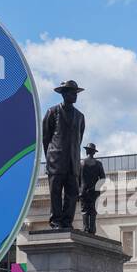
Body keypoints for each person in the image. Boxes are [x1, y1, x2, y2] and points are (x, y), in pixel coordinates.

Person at [42, 80, 85, 228]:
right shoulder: (52, 112)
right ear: (64, 94)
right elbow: (46, 137)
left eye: (76, 93)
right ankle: (56, 221)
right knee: (55, 192)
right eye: (72, 93)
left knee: (72, 193)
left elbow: (79, 140)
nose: (75, 95)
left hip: (73, 161)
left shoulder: (80, 116)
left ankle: (67, 222)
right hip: (56, 159)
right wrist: (50, 157)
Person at [78, 141, 106, 234]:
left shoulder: (81, 163)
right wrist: (95, 187)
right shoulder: (98, 164)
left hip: (83, 191)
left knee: (84, 211)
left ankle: (86, 228)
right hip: (94, 192)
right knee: (93, 211)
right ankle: (92, 229)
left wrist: (78, 191)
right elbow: (103, 178)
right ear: (94, 152)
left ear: (87, 151)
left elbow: (77, 178)